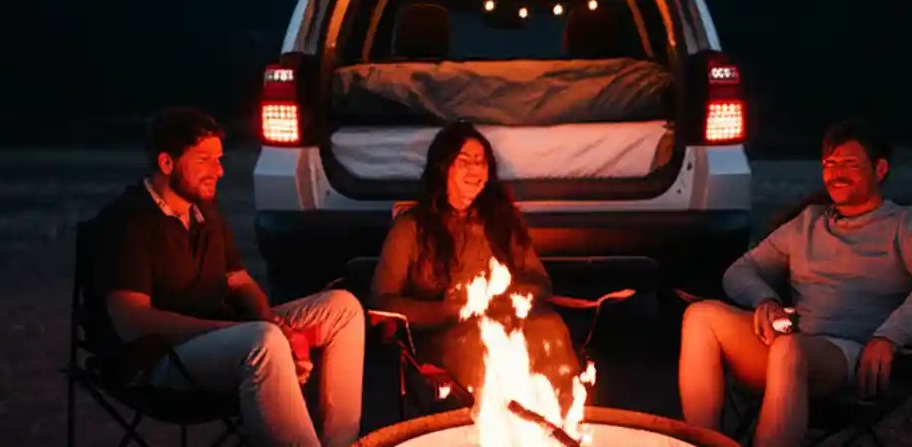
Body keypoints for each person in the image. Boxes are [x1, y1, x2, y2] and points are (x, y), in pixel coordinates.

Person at [678, 118, 912, 447]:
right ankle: (703, 443)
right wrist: (766, 301)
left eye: (849, 164)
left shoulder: (909, 222)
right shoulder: (809, 222)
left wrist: (891, 335)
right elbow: (742, 270)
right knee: (701, 316)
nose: (836, 173)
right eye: (830, 163)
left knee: (789, 348)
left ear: (880, 169)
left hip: (852, 355)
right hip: (795, 347)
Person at [93, 107, 364, 447]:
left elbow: (238, 280)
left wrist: (279, 327)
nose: (218, 171)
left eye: (219, 160)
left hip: (226, 337)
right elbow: (131, 322)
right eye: (204, 160)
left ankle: (341, 443)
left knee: (343, 308)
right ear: (166, 163)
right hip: (161, 359)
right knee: (262, 343)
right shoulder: (129, 221)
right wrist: (237, 331)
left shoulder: (204, 211)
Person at [368, 120, 580, 412]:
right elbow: (381, 301)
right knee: (476, 345)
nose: (475, 169)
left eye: (481, 162)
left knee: (552, 329)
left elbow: (540, 281)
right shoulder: (411, 227)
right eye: (464, 161)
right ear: (443, 169)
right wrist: (446, 310)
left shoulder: (502, 221)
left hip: (510, 321)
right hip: (444, 333)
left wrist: (508, 297)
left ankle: (557, 426)